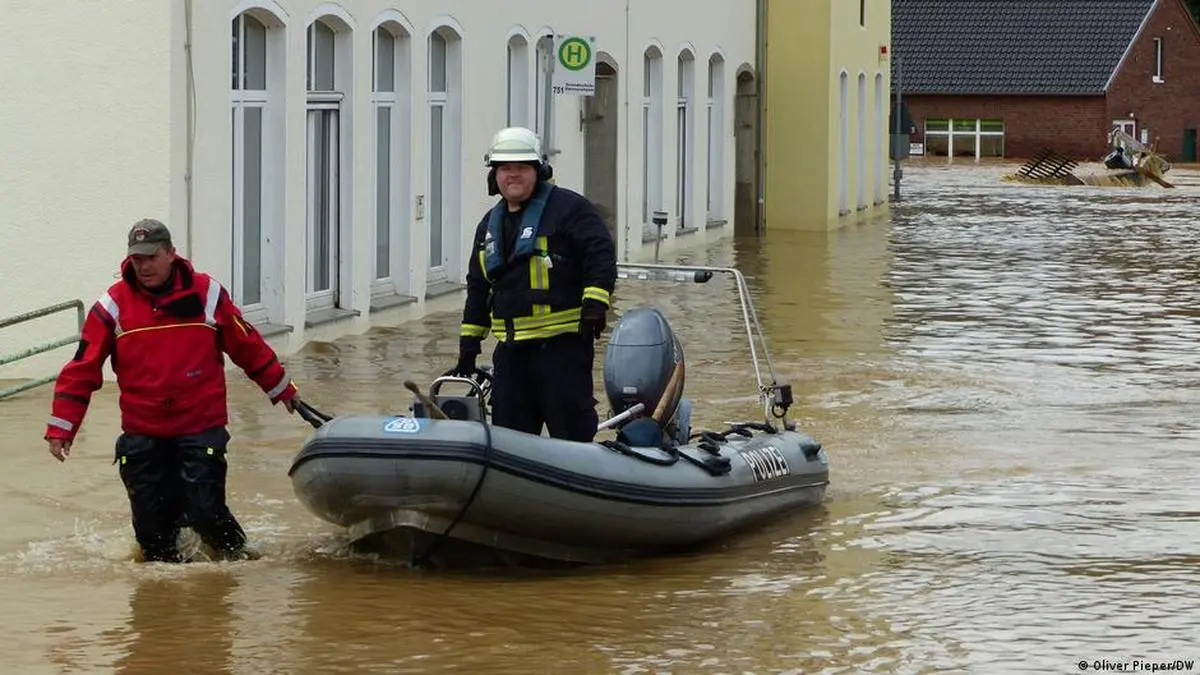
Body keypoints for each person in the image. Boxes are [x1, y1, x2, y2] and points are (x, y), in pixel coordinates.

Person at [43, 218, 300, 563]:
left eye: (151, 257)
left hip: (200, 426)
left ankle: (242, 564)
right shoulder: (112, 306)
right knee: (153, 540)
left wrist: (282, 388)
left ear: (171, 254)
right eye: (137, 259)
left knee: (206, 514)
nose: (144, 266)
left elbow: (247, 344)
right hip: (143, 431)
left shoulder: (207, 293)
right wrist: (62, 427)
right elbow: (82, 368)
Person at [453, 126, 617, 443]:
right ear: (494, 175)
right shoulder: (489, 225)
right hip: (511, 354)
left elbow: (599, 255)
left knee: (571, 435)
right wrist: (468, 348)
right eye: (505, 168)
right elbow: (478, 289)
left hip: (561, 350)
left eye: (521, 168)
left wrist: (595, 303)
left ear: (538, 170)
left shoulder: (570, 209)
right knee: (508, 440)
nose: (513, 175)